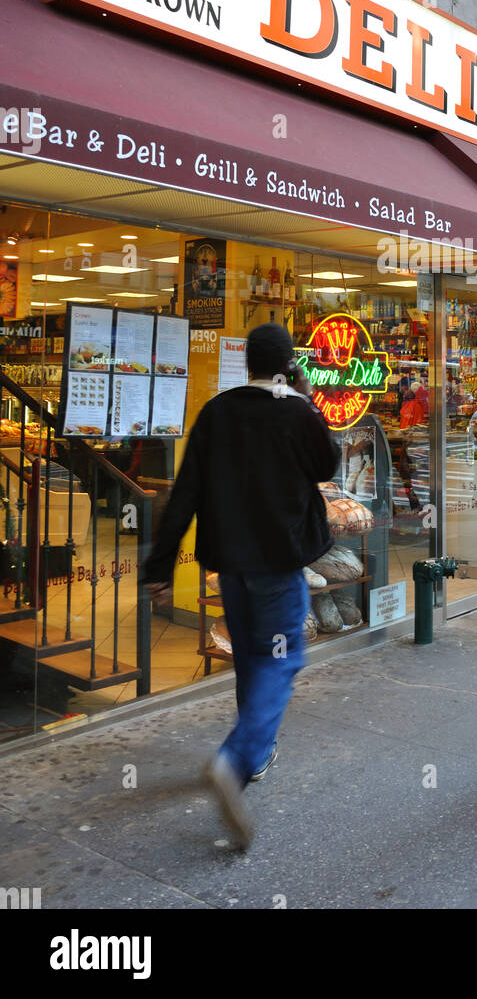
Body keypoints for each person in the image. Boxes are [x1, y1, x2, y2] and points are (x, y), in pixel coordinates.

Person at [142, 323, 338, 849]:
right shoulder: (297, 410)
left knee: (252, 659)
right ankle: (234, 760)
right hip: (277, 566)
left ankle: (254, 755)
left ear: (246, 364)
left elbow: (184, 494)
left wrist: (159, 567)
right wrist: (304, 397)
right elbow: (328, 464)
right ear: (288, 365)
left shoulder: (217, 413)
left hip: (229, 566)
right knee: (282, 659)